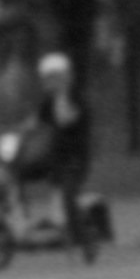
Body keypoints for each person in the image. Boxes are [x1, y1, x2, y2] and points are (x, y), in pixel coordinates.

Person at [20, 49, 102, 243]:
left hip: (74, 160)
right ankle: (20, 223)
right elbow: (34, 121)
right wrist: (16, 130)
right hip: (54, 158)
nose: (48, 82)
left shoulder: (77, 99)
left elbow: (66, 119)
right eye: (46, 78)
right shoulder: (49, 102)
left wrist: (62, 95)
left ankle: (79, 235)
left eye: (53, 77)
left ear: (65, 77)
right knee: (18, 172)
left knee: (67, 194)